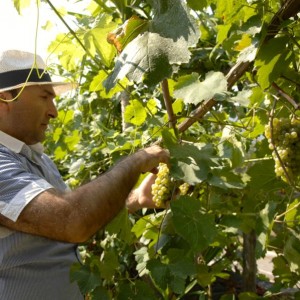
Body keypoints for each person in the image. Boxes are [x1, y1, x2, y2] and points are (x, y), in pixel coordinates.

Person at [0, 49, 169, 299]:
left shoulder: (40, 160)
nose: (54, 111)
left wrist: (135, 199)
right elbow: (71, 221)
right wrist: (135, 162)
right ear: (5, 100)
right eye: (45, 97)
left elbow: (72, 215)